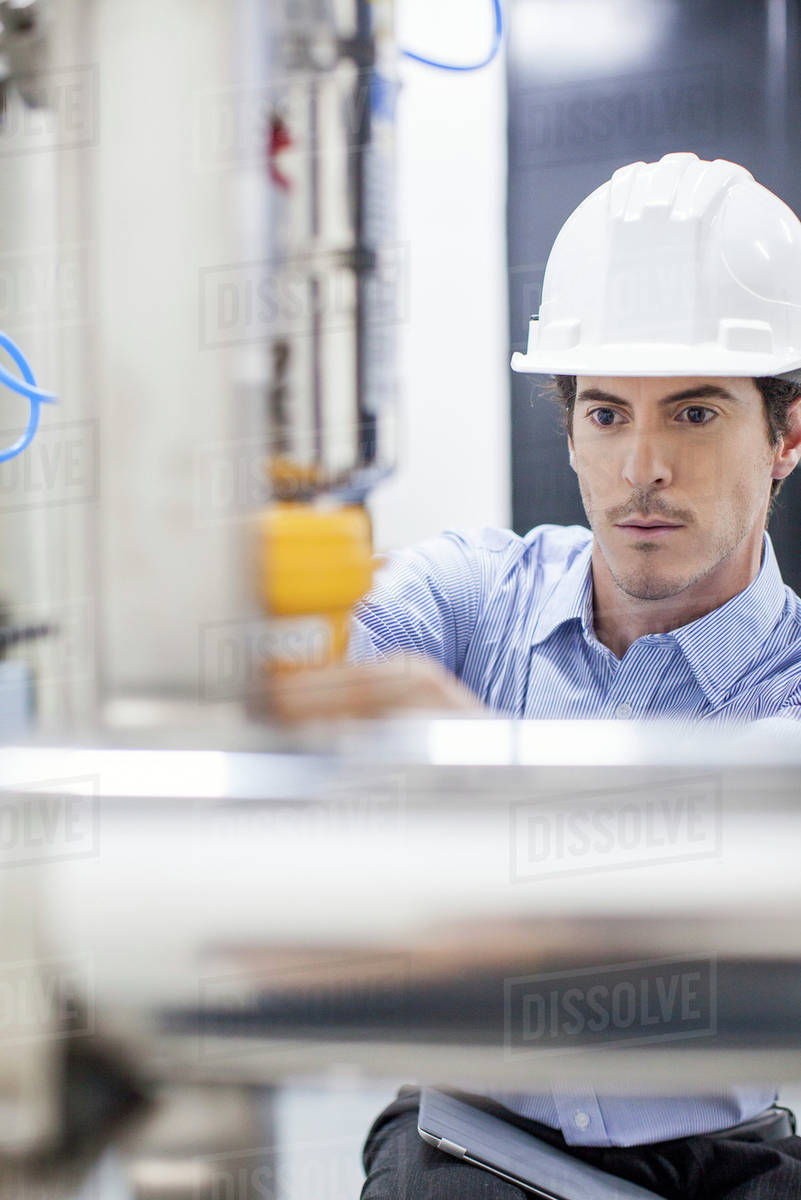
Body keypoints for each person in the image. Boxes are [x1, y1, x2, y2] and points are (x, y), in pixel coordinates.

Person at [269, 153, 801, 1197]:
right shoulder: (473, 594)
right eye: (606, 414)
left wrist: (460, 785)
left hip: (724, 1165)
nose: (642, 465)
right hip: (470, 1146)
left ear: (787, 433)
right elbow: (290, 686)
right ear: (568, 428)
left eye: (694, 414)